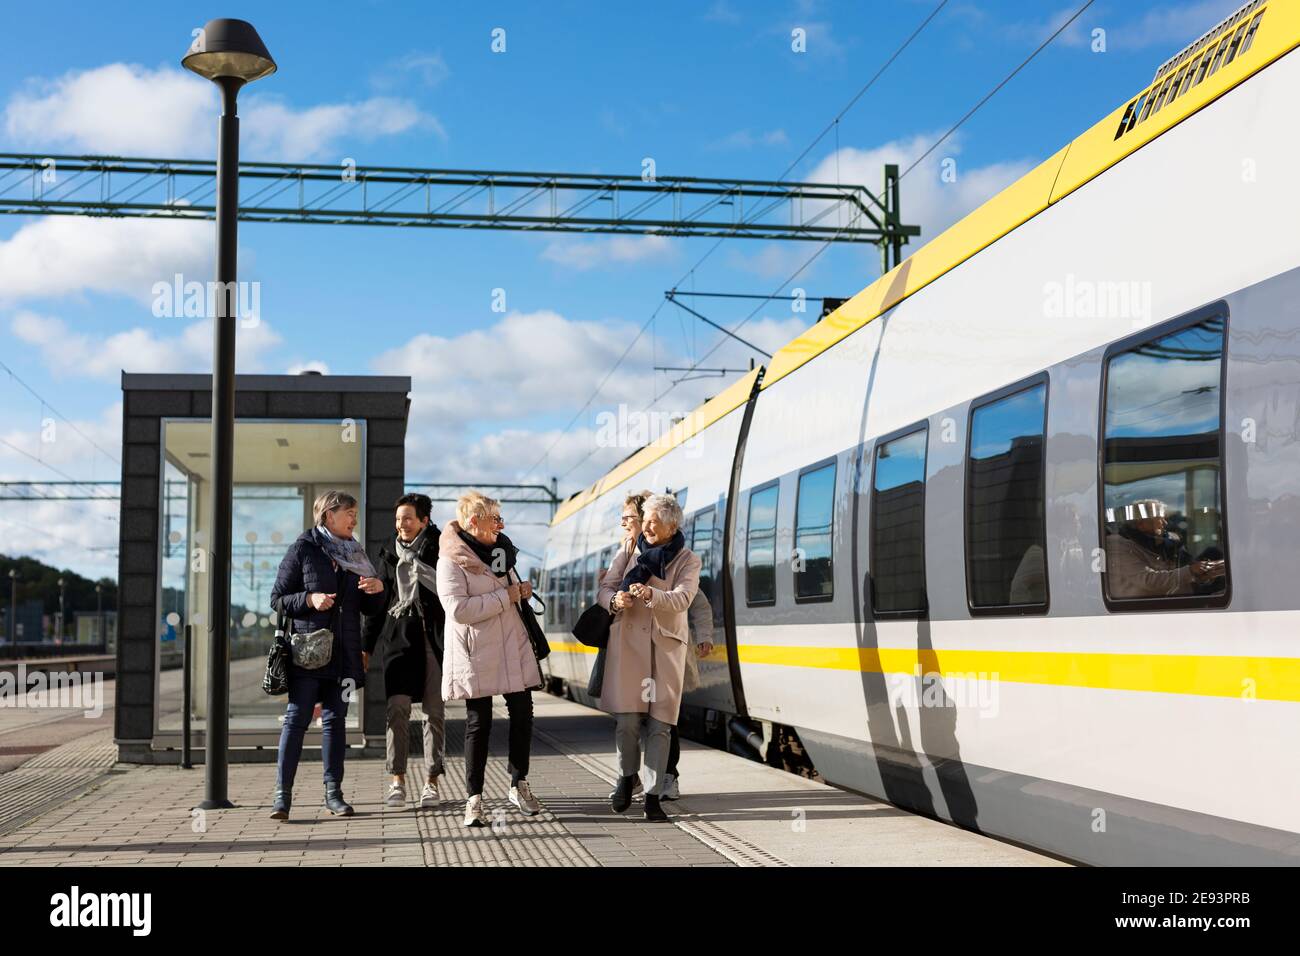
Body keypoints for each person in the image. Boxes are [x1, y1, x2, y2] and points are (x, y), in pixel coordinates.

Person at [269, 490, 385, 820]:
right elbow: (277, 598)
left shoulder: (357, 555)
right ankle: (282, 797)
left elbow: (372, 607)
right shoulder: (303, 548)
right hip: (308, 653)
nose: (354, 519)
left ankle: (334, 794)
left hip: (345, 655)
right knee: (297, 720)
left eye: (355, 514)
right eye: (349, 512)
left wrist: (378, 590)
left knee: (335, 723)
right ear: (328, 516)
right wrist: (309, 599)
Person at [437, 490, 544, 827]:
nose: (501, 524)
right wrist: (505, 596)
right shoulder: (450, 559)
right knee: (478, 723)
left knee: (523, 714)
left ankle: (518, 783)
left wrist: (519, 591)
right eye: (494, 518)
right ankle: (474, 799)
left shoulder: (501, 552)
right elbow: (457, 609)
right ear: (473, 522)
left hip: (512, 645)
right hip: (476, 652)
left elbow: (507, 592)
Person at [598, 493, 700, 822]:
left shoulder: (687, 560)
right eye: (647, 520)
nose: (649, 526)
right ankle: (628, 776)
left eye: (655, 521)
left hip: (666, 652)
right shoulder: (629, 551)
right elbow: (604, 589)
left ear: (672, 526)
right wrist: (615, 600)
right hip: (628, 647)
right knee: (627, 721)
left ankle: (653, 797)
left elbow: (683, 599)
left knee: (660, 726)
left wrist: (652, 594)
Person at [363, 493, 447, 809]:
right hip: (398, 638)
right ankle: (397, 779)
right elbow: (377, 605)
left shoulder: (442, 548)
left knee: (433, 712)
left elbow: (451, 592)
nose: (401, 525)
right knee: (397, 708)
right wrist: (365, 646)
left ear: (424, 520)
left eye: (408, 518)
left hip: (433, 639)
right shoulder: (387, 552)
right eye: (398, 519)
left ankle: (431, 781)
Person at [1104, 498, 1225, 599]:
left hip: (1180, 604)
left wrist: (1204, 574)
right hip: (1143, 612)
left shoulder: (1168, 543)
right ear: (1141, 523)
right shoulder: (1117, 545)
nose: (1165, 523)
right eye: (1160, 518)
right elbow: (1149, 581)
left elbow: (1187, 569)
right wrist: (1190, 571)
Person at [662, 587, 714, 801]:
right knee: (632, 723)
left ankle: (668, 777)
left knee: (665, 722)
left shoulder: (676, 564)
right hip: (634, 655)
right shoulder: (625, 563)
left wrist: (704, 635)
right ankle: (629, 776)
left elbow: (699, 604)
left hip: (668, 655)